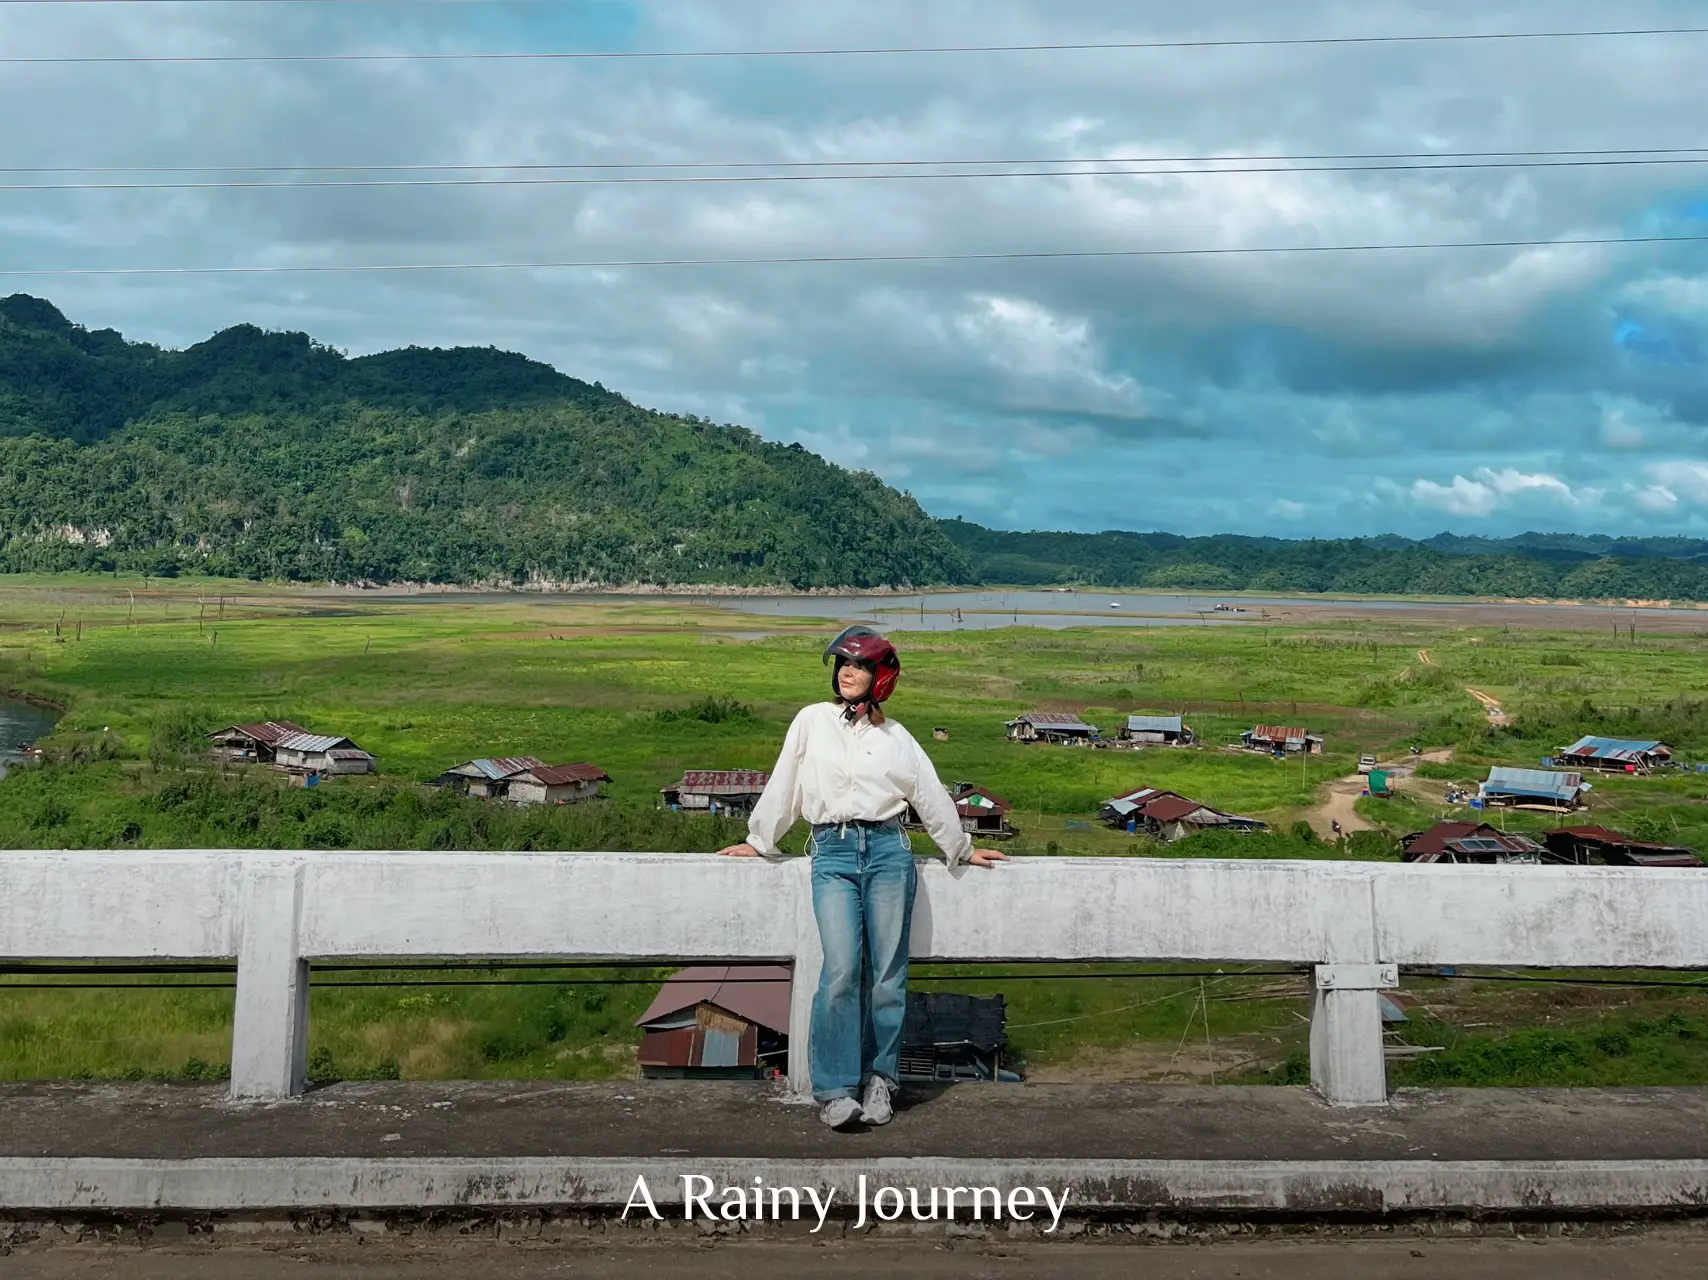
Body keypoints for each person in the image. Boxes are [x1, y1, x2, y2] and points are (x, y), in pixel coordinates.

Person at [719, 625, 1007, 1130]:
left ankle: (881, 1081)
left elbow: (930, 795)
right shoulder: (812, 721)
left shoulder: (897, 739)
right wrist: (761, 839)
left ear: (881, 679)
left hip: (888, 850)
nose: (847, 672)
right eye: (842, 665)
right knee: (841, 972)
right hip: (831, 852)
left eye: (859, 666)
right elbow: (786, 779)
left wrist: (960, 848)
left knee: (889, 978)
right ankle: (834, 1088)